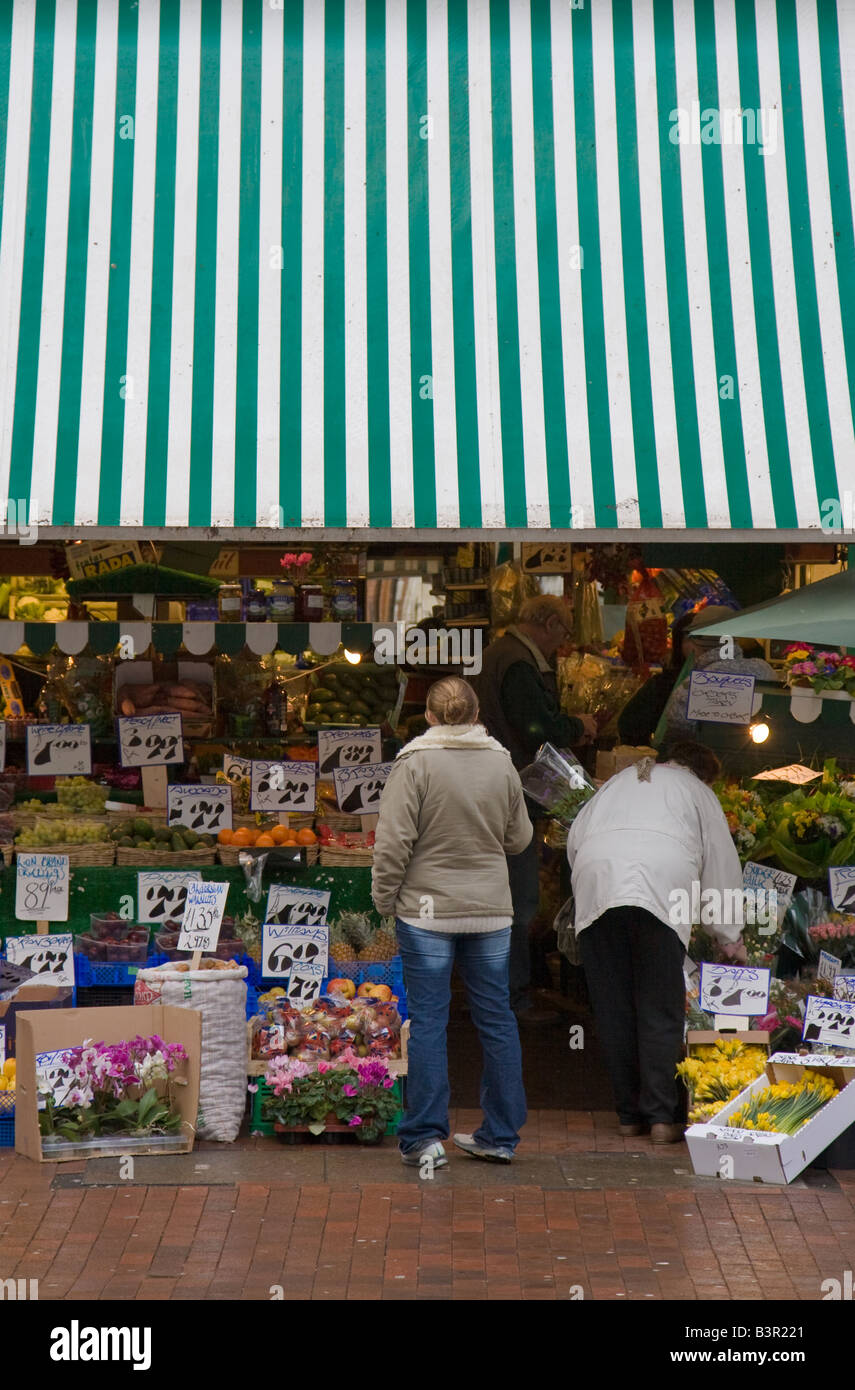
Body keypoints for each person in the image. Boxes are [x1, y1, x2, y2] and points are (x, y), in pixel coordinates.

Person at [371, 676, 532, 1167]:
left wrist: (384, 899)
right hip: (489, 912)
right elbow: (520, 837)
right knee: (497, 1019)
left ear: (429, 715)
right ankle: (501, 1135)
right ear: (478, 711)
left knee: (429, 1022)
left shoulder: (414, 762)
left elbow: (393, 843)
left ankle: (424, 1137)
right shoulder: (501, 761)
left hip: (427, 913)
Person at [565, 741, 746, 1143]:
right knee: (659, 1006)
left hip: (598, 887)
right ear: (701, 772)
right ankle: (662, 1118)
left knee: (613, 1007)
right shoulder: (698, 792)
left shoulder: (618, 782)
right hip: (663, 890)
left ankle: (629, 1117)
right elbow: (721, 866)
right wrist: (729, 937)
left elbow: (576, 840)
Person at [474, 595, 597, 1021]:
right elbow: (535, 729)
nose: (561, 644)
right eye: (562, 633)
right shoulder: (518, 664)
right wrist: (577, 726)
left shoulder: (498, 653)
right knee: (518, 900)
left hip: (492, 788)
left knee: (503, 897)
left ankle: (499, 993)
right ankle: (512, 998)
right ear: (546, 623)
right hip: (510, 794)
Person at [658, 606, 778, 748]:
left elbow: (675, 738)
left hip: (705, 767)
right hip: (765, 762)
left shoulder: (688, 689)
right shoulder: (764, 670)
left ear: (695, 645)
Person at [617, 610, 696, 746]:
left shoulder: (727, 682)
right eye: (691, 638)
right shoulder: (663, 684)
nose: (699, 645)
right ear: (679, 644)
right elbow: (628, 724)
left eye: (708, 639)